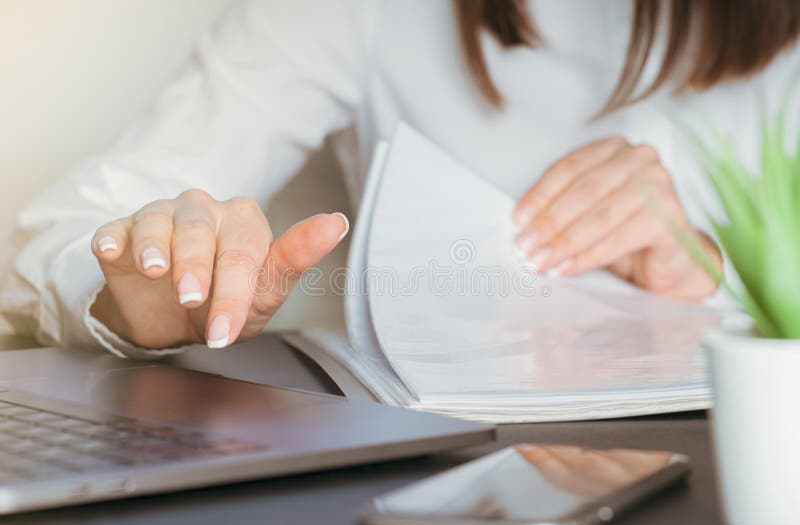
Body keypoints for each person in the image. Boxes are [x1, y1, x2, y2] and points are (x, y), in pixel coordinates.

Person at [1, 0, 798, 358]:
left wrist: (712, 273)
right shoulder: (361, 10)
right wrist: (133, 288)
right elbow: (66, 228)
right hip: (452, 473)